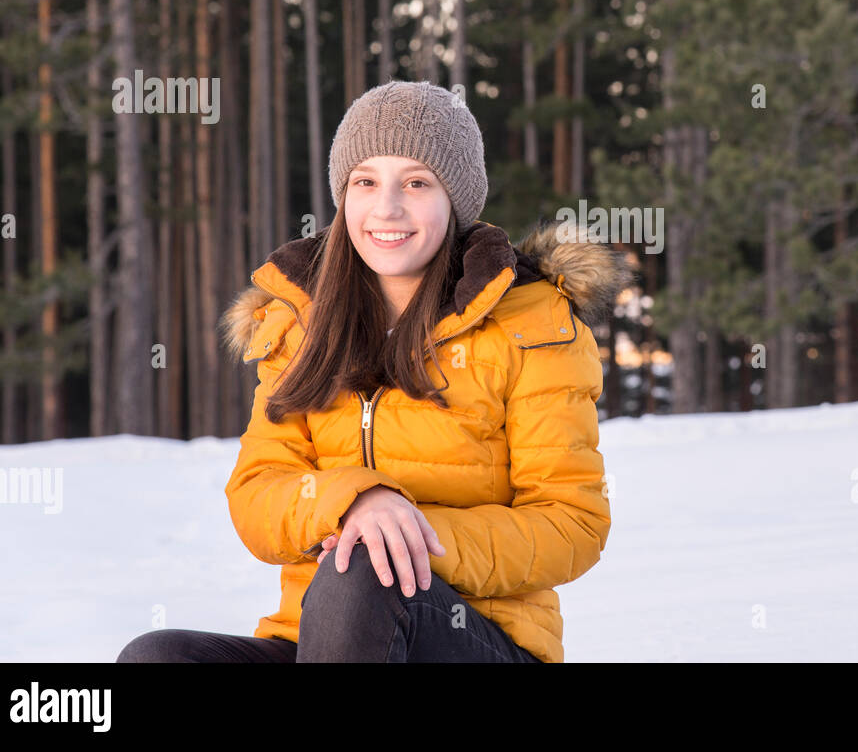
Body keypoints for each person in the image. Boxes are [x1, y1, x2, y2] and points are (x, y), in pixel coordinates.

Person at [116, 80, 632, 663]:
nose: (386, 208)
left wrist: (407, 539)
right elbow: (258, 496)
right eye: (365, 182)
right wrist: (356, 501)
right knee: (157, 658)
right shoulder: (300, 324)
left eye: (416, 182)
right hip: (320, 641)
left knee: (364, 571)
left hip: (477, 640)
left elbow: (572, 522)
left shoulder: (532, 322)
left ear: (455, 200)